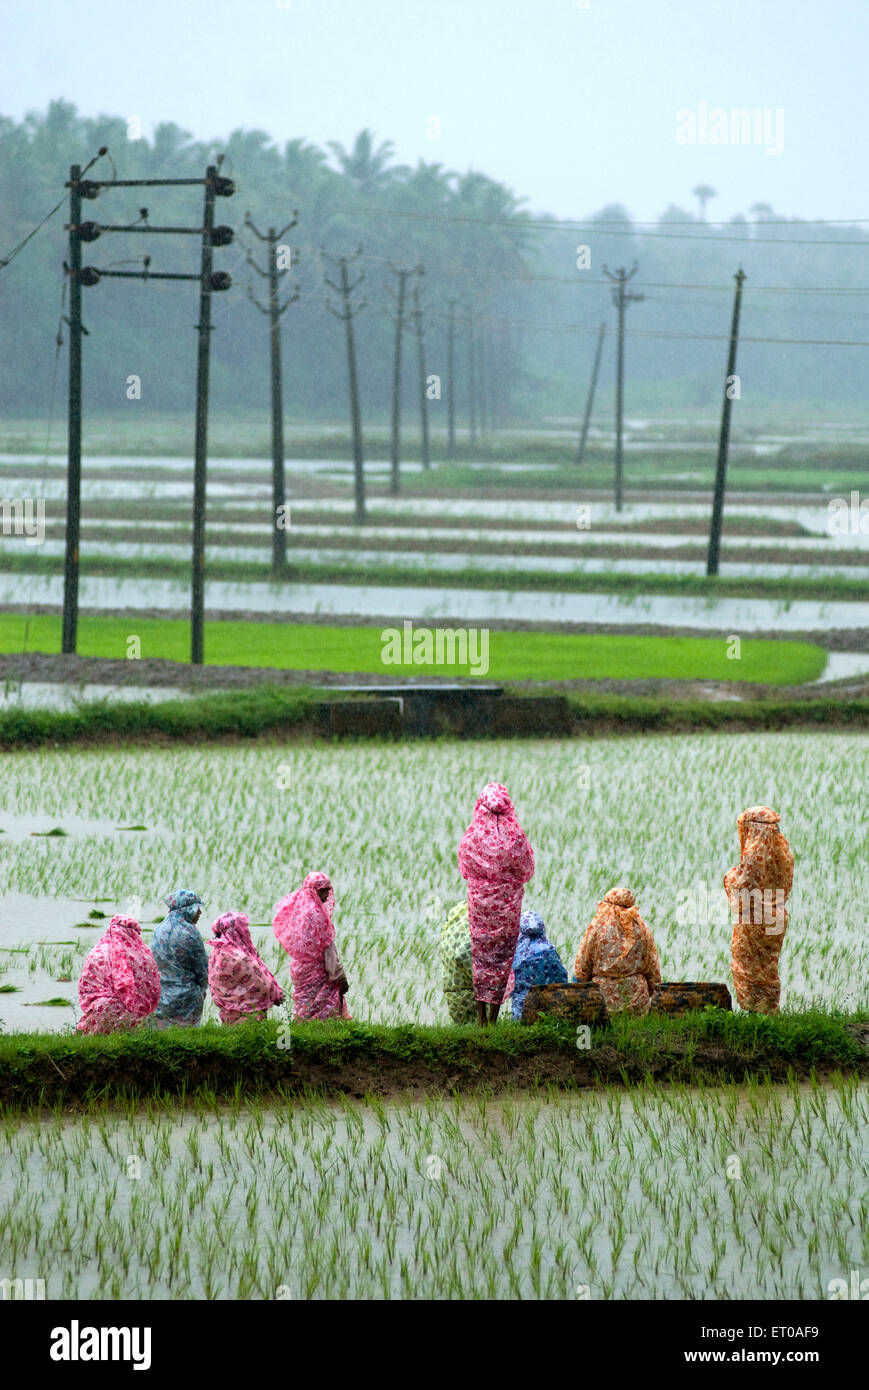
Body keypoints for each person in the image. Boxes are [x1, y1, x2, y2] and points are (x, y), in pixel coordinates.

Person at [458, 782, 535, 1026]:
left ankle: (481, 1019)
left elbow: (464, 867)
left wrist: (483, 882)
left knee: (481, 958)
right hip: (507, 906)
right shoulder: (515, 834)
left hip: (480, 906)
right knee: (502, 959)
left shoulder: (473, 832)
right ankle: (493, 1018)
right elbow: (527, 869)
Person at [724, 805, 794, 1014]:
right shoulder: (781, 848)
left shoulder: (756, 850)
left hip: (757, 915)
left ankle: (759, 1015)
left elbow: (745, 885)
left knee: (752, 969)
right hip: (776, 914)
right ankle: (768, 1012)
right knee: (767, 967)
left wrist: (728, 878)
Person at [272, 871, 351, 1020]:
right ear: (313, 891)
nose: (326, 894)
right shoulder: (317, 914)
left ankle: (303, 1028)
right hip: (316, 971)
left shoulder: (299, 910)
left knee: (305, 1005)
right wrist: (340, 977)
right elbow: (327, 948)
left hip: (300, 968)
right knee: (323, 1008)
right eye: (322, 890)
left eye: (328, 889)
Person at [572, 887, 662, 1017]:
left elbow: (582, 966)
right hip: (636, 1002)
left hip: (602, 1001)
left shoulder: (597, 928)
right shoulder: (641, 930)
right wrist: (654, 990)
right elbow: (652, 967)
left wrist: (580, 988)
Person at [77, 915, 160, 1034]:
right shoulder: (141, 956)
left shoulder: (96, 952)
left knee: (98, 1046)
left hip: (100, 1010)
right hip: (132, 1013)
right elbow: (151, 986)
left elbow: (85, 986)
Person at [207, 910, 284, 1025]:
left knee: (233, 1036)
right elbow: (261, 984)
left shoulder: (217, 951)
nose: (247, 930)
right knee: (250, 1037)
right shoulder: (239, 957)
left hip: (228, 1011)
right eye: (244, 927)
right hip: (248, 1014)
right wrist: (276, 994)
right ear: (237, 930)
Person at [150, 888, 209, 1028]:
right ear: (187, 909)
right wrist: (203, 989)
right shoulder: (189, 932)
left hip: (161, 995)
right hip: (186, 998)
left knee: (162, 1036)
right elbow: (201, 968)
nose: (199, 913)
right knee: (186, 1037)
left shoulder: (159, 929)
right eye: (197, 909)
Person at [504, 910, 568, 1021]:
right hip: (552, 1014)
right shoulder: (550, 950)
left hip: (523, 1016)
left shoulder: (518, 956)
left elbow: (509, 988)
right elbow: (562, 979)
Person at [439, 900, 476, 1025]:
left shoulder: (448, 933)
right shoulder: (467, 930)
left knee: (462, 1031)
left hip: (451, 992)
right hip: (468, 993)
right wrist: (479, 982)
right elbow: (463, 955)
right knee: (477, 1035)